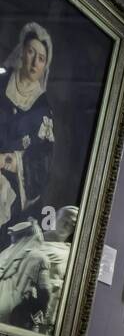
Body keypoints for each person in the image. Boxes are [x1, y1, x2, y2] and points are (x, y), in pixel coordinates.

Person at [0, 23, 57, 243]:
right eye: (32, 52)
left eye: (41, 58)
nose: (34, 62)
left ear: (45, 65)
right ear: (22, 50)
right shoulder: (2, 82)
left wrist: (9, 161)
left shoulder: (43, 108)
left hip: (12, 182)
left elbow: (43, 158)